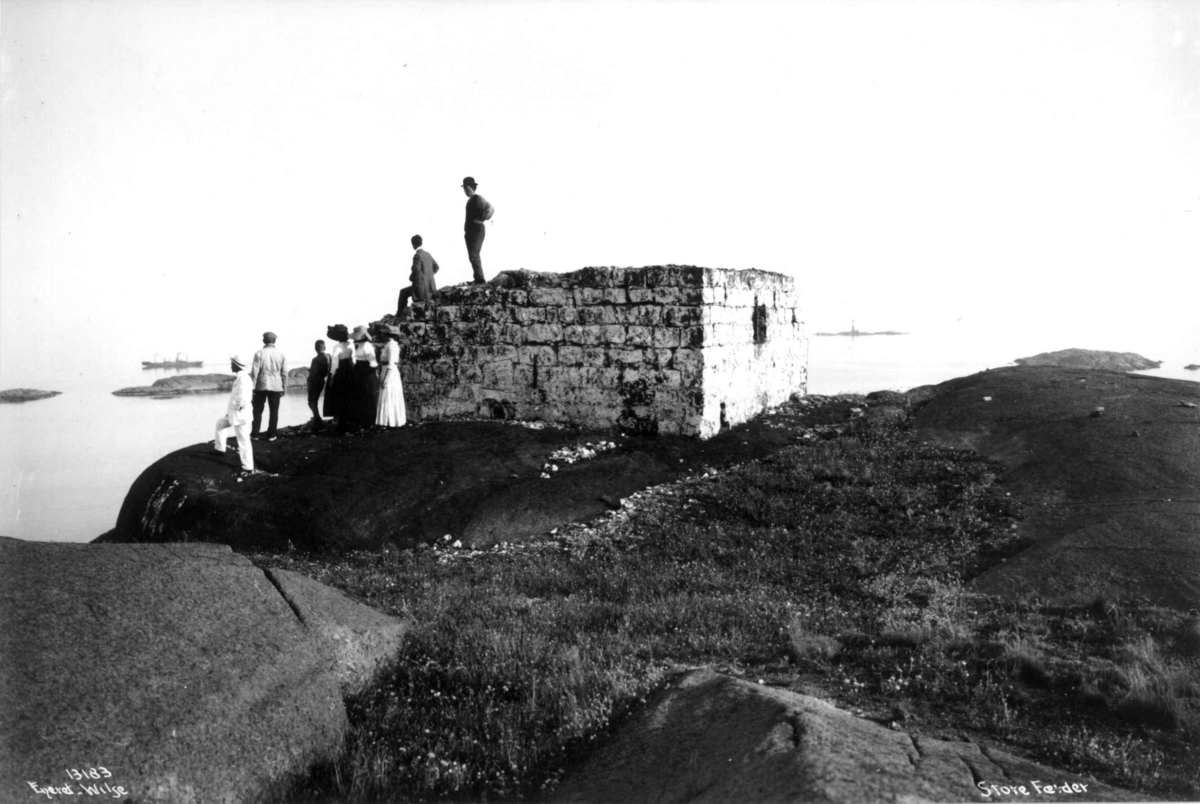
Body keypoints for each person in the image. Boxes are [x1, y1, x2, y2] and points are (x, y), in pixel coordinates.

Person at [214, 354, 254, 475]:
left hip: (240, 415)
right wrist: (230, 412)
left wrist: (236, 409)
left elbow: (242, 397)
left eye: (232, 363)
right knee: (220, 424)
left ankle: (248, 467)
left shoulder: (243, 378)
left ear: (236, 365)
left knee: (243, 440)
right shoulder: (241, 377)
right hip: (235, 414)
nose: (230, 365)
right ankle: (220, 449)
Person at [250, 331, 288, 441]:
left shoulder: (259, 353)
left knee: (257, 411)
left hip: (261, 385)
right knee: (274, 411)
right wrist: (284, 387)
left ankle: (255, 434)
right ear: (274, 341)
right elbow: (284, 372)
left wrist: (252, 387)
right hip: (276, 385)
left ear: (263, 341)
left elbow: (254, 372)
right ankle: (271, 435)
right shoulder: (281, 354)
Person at [397, 234, 440, 315]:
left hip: (421, 290)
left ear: (413, 244)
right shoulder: (428, 254)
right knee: (405, 291)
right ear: (421, 242)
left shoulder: (417, 255)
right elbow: (436, 267)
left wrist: (411, 277)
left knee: (403, 292)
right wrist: (427, 276)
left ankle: (400, 314)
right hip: (430, 289)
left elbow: (416, 270)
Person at [346, 325, 379, 429]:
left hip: (367, 375)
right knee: (361, 398)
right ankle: (363, 421)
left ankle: (369, 422)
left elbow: (373, 364)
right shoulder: (360, 345)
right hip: (360, 373)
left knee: (368, 398)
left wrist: (362, 372)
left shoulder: (367, 346)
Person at [462, 176, 494, 284]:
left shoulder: (478, 198)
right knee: (472, 256)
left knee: (474, 254)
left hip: (477, 230)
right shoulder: (470, 201)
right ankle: (478, 278)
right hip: (470, 231)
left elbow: (490, 208)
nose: (465, 191)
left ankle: (480, 279)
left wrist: (482, 219)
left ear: (471, 187)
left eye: (466, 188)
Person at [375, 324, 406, 428]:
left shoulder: (393, 345)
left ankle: (391, 421)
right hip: (385, 370)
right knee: (386, 395)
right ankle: (386, 421)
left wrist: (385, 379)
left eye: (382, 333)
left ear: (386, 334)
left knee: (389, 393)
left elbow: (391, 364)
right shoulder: (387, 345)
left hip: (391, 373)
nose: (380, 335)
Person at [324, 324, 353, 426]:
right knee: (349, 395)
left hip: (340, 372)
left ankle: (340, 420)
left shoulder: (337, 347)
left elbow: (335, 364)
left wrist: (331, 377)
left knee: (339, 396)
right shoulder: (351, 344)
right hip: (350, 370)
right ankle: (349, 418)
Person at [307, 339, 331, 429]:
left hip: (314, 381)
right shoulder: (328, 357)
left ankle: (317, 419)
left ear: (315, 348)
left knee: (311, 401)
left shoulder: (315, 359)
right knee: (314, 401)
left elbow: (315, 372)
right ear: (324, 347)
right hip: (321, 380)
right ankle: (317, 418)